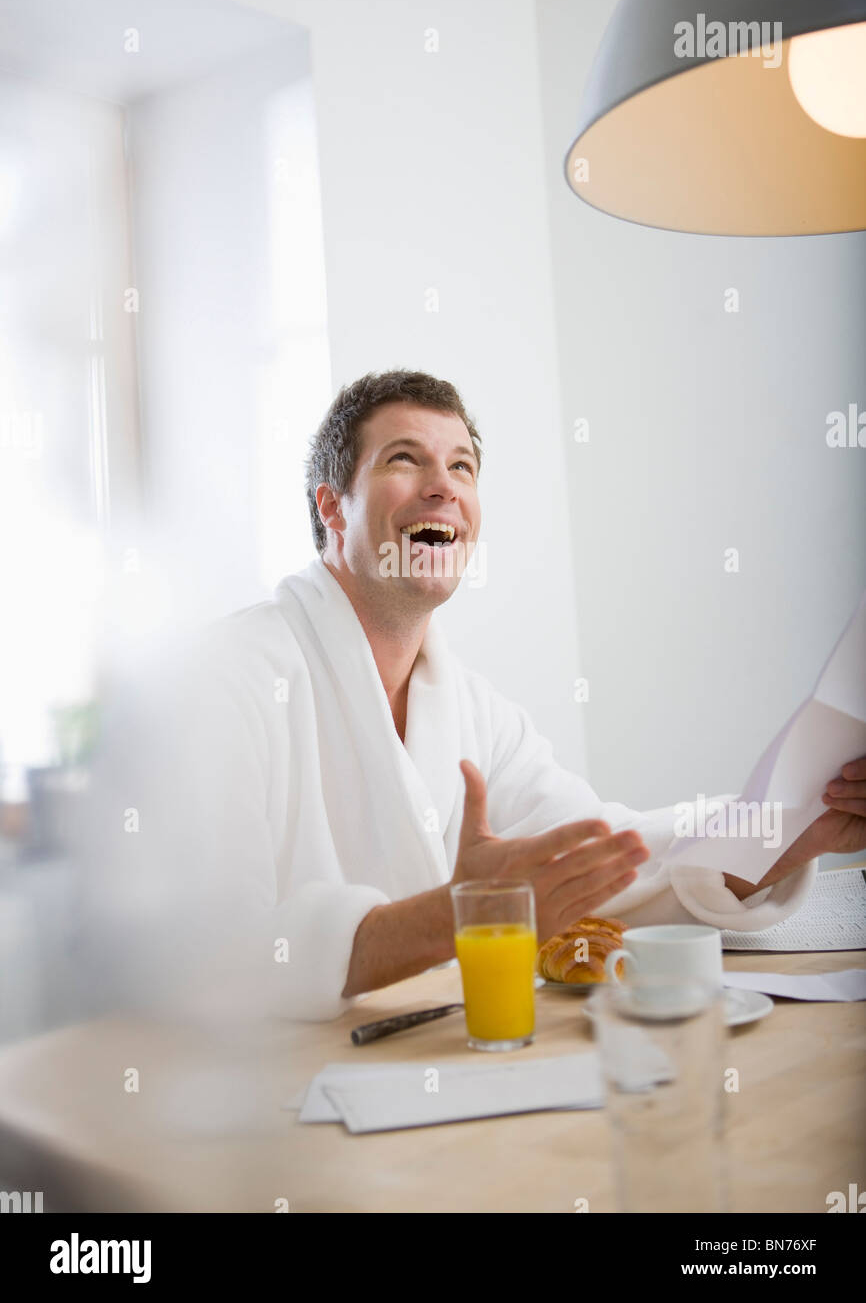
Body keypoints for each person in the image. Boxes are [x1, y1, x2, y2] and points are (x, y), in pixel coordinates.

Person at [88, 370, 866, 1023]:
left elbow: (604, 860)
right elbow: (208, 954)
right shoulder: (223, 678)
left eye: (462, 467)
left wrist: (795, 824)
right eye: (405, 459)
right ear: (332, 508)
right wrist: (464, 912)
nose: (443, 488)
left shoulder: (471, 709)